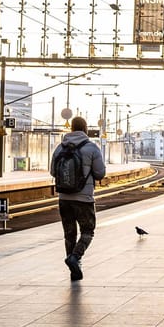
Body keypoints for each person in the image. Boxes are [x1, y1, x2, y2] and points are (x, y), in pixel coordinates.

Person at [50, 116, 106, 281]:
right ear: (86, 129)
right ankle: (75, 258)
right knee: (87, 231)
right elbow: (100, 173)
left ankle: (74, 270)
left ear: (71, 129)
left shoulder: (60, 148)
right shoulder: (92, 148)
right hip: (84, 198)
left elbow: (53, 172)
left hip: (64, 198)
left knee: (69, 234)